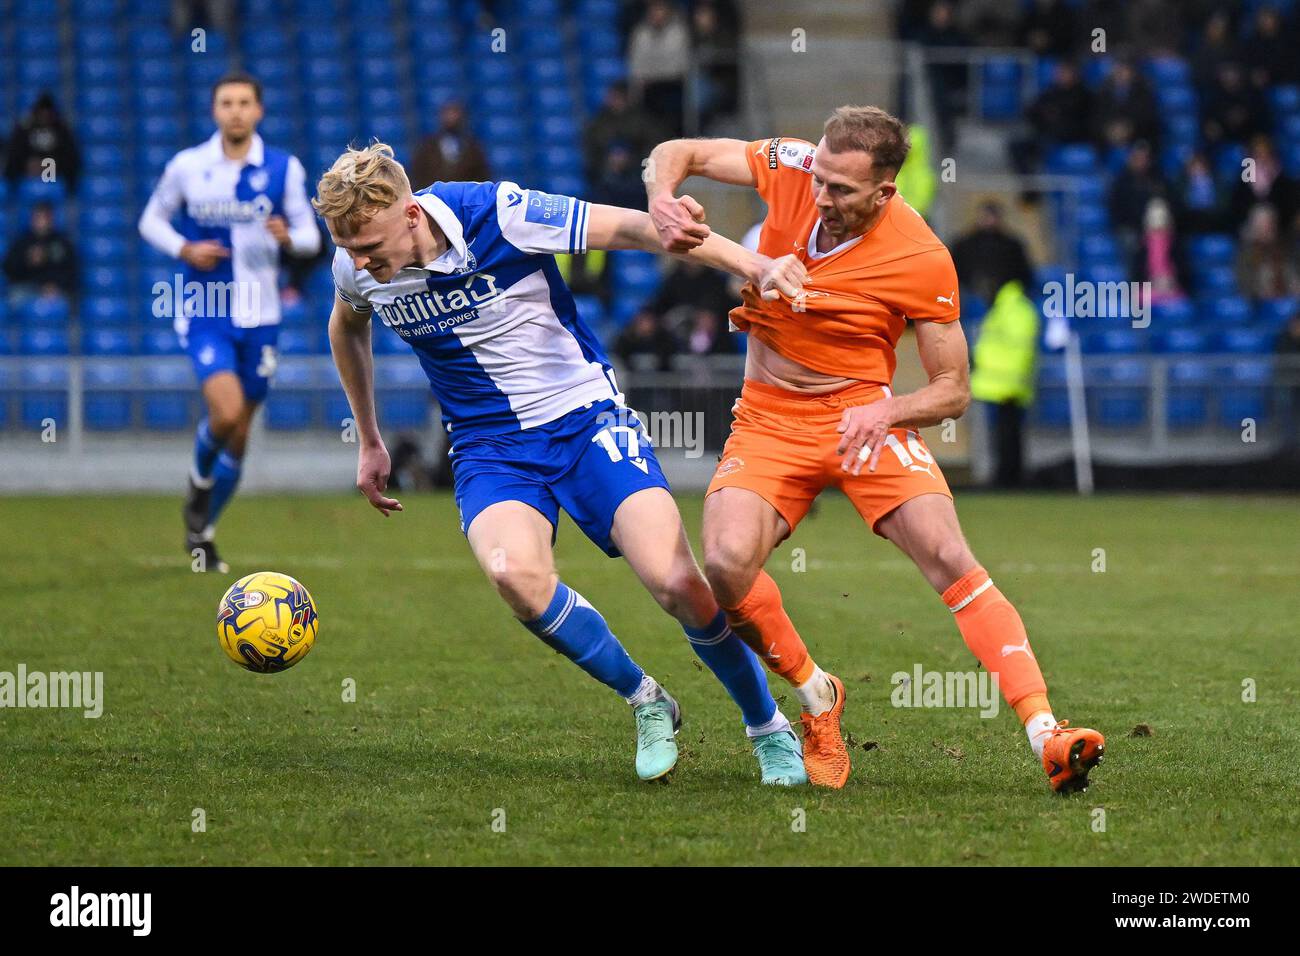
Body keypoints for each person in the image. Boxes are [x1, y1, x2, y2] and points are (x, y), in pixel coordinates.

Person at [312, 142, 810, 785]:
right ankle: (647, 699)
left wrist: (754, 262)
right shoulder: (357, 267)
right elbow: (346, 327)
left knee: (675, 582)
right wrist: (371, 439)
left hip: (584, 420)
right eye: (350, 252)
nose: (360, 265)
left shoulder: (500, 212)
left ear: (410, 214)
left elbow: (638, 229)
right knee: (515, 577)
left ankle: (766, 725)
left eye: (370, 249)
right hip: (489, 448)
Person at [645, 106, 1106, 792]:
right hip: (770, 418)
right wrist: (660, 199)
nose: (820, 195)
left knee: (951, 555)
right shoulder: (793, 165)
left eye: (840, 189)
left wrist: (888, 408)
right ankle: (815, 694)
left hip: (865, 415)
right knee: (725, 566)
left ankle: (1047, 733)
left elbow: (953, 390)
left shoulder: (922, 258)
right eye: (821, 178)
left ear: (884, 192)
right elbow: (675, 148)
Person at [138, 71, 321, 573]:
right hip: (206, 307)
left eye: (245, 102)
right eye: (226, 102)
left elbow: (312, 238)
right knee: (225, 413)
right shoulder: (189, 167)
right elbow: (150, 220)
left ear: (259, 110)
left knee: (239, 434)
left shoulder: (284, 168)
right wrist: (184, 247)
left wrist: (289, 237)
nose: (236, 110)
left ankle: (203, 531)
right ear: (214, 110)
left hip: (261, 315)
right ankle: (198, 488)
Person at [2, 201, 78, 306]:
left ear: (51, 220)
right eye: (37, 217)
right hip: (27, 288)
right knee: (15, 298)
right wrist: (27, 260)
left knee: (64, 301)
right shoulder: (23, 242)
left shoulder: (61, 243)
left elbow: (70, 270)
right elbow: (9, 269)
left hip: (55, 289)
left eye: (44, 218)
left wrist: (54, 285)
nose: (41, 222)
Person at [4, 92, 81, 190]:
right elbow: (13, 157)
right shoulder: (24, 130)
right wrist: (26, 165)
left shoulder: (62, 131)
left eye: (47, 114)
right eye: (41, 113)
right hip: (26, 181)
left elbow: (72, 159)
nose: (44, 117)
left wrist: (51, 166)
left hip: (56, 181)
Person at [409, 101, 490, 188]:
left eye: (455, 114)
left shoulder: (473, 148)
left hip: (464, 199)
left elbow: (482, 177)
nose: (451, 118)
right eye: (448, 114)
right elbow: (418, 174)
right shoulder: (427, 146)